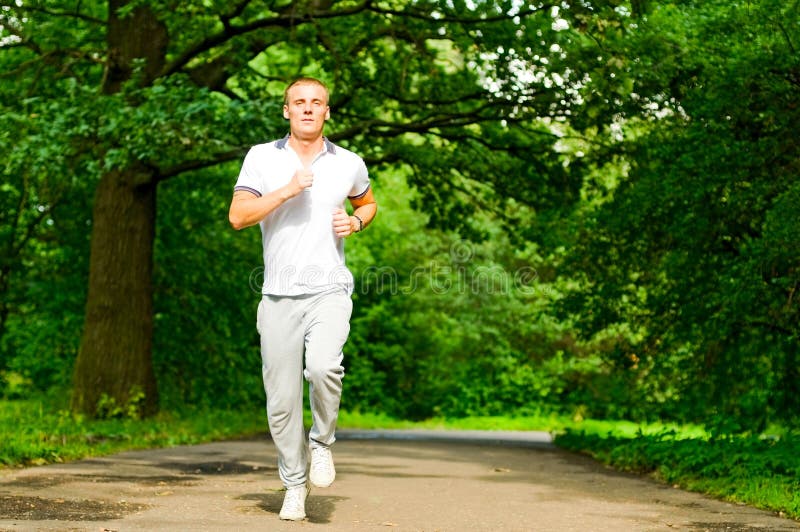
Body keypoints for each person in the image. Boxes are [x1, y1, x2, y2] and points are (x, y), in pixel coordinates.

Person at [228, 77, 377, 521]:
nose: (308, 109)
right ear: (286, 111)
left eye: (317, 103)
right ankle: (294, 484)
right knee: (281, 402)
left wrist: (358, 222)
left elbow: (367, 203)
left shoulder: (349, 162)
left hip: (330, 287)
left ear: (327, 112)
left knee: (324, 366)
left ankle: (323, 442)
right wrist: (288, 190)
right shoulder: (261, 157)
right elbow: (238, 216)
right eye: (299, 102)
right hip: (277, 294)